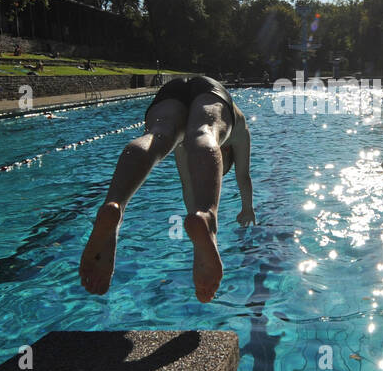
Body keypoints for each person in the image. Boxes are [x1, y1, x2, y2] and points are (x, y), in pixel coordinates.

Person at [79, 75, 254, 302]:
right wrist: (246, 208)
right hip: (211, 91)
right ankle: (209, 219)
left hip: (173, 89)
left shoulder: (188, 152)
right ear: (225, 153)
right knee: (206, 132)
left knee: (158, 135)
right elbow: (243, 176)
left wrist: (199, 235)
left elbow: (189, 187)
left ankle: (115, 205)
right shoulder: (239, 132)